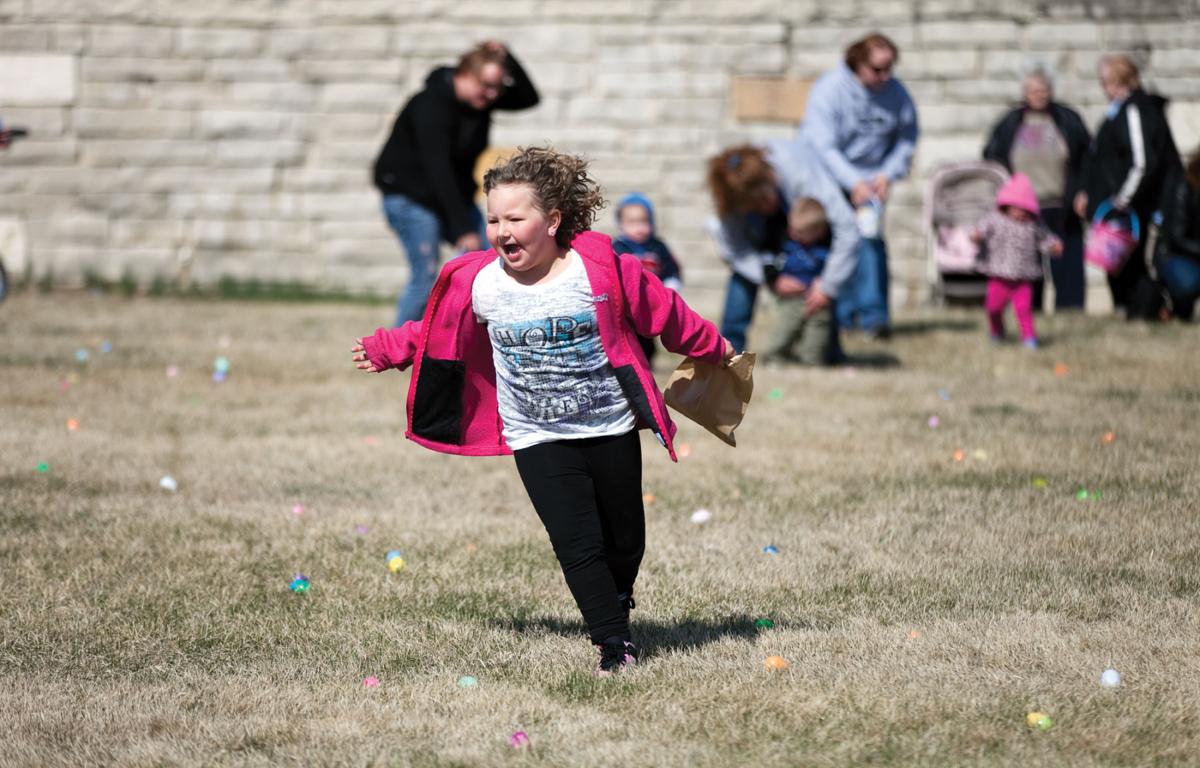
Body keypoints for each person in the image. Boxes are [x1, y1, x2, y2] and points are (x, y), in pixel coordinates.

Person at [351, 147, 734, 676]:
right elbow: (438, 328)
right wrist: (390, 347)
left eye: (515, 219)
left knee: (625, 541)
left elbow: (665, 312)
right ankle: (613, 643)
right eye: (493, 220)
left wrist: (715, 347)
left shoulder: (600, 271)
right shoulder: (481, 283)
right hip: (536, 434)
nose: (501, 231)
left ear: (552, 221)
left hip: (608, 425)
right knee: (577, 543)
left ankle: (615, 596)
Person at [373, 41, 540, 326]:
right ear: (464, 75)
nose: (492, 94)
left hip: (451, 196)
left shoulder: (481, 101)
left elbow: (528, 97)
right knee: (426, 275)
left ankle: (481, 339)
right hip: (410, 196)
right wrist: (462, 229)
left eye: (497, 88)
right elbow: (439, 171)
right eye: (486, 85)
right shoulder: (430, 104)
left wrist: (507, 57)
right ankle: (401, 345)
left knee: (492, 259)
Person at [798, 32, 919, 338]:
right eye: (878, 69)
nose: (885, 76)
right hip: (831, 179)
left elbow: (906, 138)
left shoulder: (896, 93)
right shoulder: (830, 90)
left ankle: (873, 318)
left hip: (872, 183)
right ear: (858, 64)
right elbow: (822, 146)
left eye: (890, 68)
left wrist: (887, 174)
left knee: (869, 242)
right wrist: (853, 182)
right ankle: (841, 317)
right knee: (838, 244)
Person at [706, 140, 857, 358]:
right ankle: (728, 351)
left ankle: (828, 351)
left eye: (764, 198)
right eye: (754, 206)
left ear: (771, 176)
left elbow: (847, 229)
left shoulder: (800, 171)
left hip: (808, 231)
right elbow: (736, 251)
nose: (764, 207)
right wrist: (772, 278)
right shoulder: (731, 199)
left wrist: (827, 286)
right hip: (765, 239)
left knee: (819, 282)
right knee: (741, 279)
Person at [1075, 54, 1181, 318]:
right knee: (1117, 264)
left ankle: (1144, 311)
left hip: (1133, 207)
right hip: (1118, 204)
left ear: (1119, 80)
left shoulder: (1135, 110)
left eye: (1106, 81)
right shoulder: (1118, 111)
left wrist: (1121, 200)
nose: (1103, 87)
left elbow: (1143, 162)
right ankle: (1127, 310)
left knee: (1133, 264)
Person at [983, 65, 1090, 310]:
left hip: (1062, 206)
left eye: (1043, 89)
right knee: (1027, 266)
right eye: (1033, 90)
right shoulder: (1010, 122)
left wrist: (1083, 191)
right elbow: (992, 157)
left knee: (1067, 263)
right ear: (1024, 92)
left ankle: (1070, 310)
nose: (1039, 94)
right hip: (1024, 210)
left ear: (1051, 91)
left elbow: (1086, 158)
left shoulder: (1068, 119)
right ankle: (1029, 311)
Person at [972, 173, 1063, 348]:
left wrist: (1053, 246)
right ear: (1007, 205)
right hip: (998, 276)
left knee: (1024, 309)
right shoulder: (995, 218)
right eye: (1018, 208)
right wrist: (976, 236)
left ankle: (1029, 338)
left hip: (1023, 277)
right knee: (993, 308)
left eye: (1026, 209)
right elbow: (980, 230)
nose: (1022, 213)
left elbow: (1044, 238)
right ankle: (997, 330)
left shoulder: (1034, 223)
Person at [612, 192, 683, 366]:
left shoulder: (658, 247)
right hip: (628, 307)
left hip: (653, 304)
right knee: (630, 340)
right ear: (621, 224)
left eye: (643, 221)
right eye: (632, 222)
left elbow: (672, 268)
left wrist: (670, 285)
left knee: (648, 342)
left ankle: (647, 365)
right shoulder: (618, 248)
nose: (639, 227)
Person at [762, 197, 834, 365]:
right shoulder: (787, 245)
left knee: (817, 331)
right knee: (785, 327)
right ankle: (774, 356)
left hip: (817, 299)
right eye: (792, 229)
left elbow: (836, 270)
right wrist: (775, 280)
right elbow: (770, 262)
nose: (793, 234)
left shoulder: (826, 249)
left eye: (801, 233)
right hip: (791, 297)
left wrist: (825, 283)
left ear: (819, 231)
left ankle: (812, 360)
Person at [1155, 147, 1200, 320]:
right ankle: (1176, 307)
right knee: (1187, 284)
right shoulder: (1184, 187)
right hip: (1175, 255)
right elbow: (1177, 237)